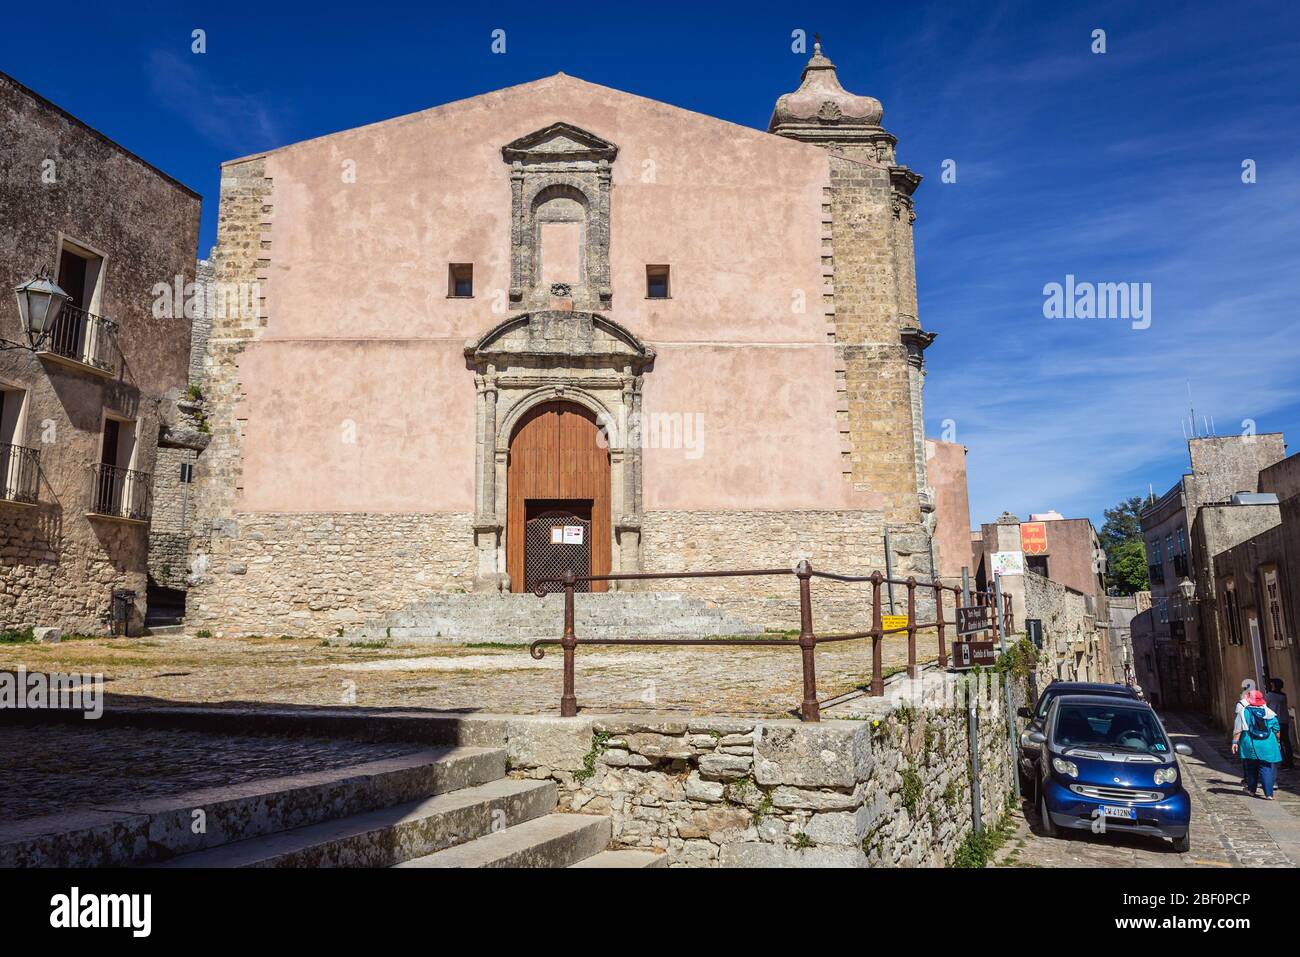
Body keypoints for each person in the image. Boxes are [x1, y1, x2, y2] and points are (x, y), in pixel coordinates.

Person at [1233, 690, 1283, 799]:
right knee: (1267, 767)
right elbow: (1276, 730)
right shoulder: (1270, 712)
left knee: (1251, 767)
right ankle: (1269, 794)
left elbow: (1238, 728)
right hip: (1268, 743)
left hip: (1250, 742)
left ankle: (1251, 790)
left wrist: (1235, 742)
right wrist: (1278, 741)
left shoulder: (1243, 711)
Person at [1266, 678, 1294, 770]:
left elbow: (1265, 707)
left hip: (1275, 721)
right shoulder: (1283, 695)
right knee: (1286, 742)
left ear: (1273, 685)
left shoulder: (1270, 695)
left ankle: (1283, 763)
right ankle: (1290, 762)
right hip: (1284, 720)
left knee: (1278, 742)